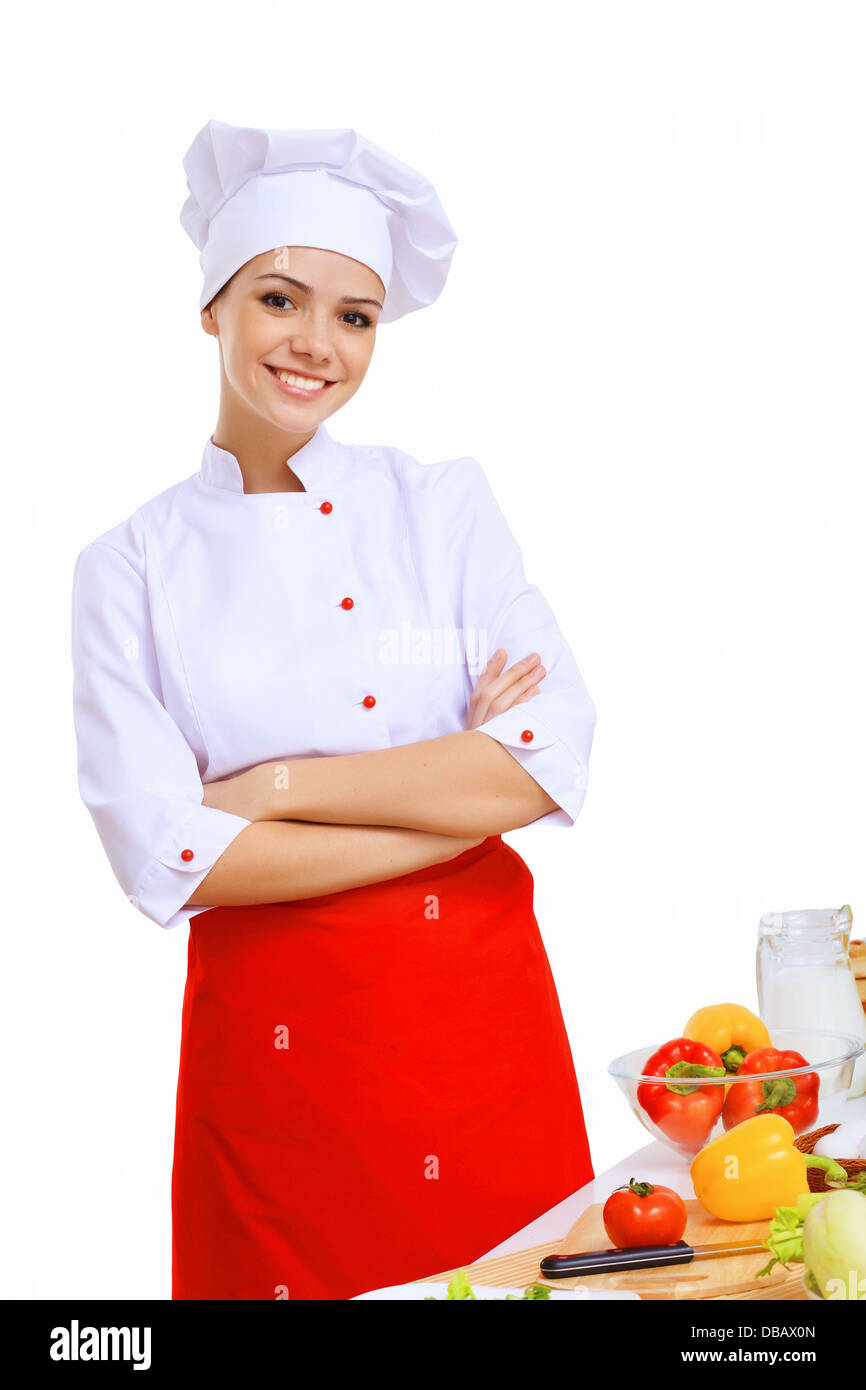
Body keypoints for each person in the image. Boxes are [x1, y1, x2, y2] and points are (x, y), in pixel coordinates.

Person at [70, 119, 598, 1301]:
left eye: (352, 316)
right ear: (212, 307)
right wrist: (450, 795)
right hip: (277, 1073)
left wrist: (271, 790)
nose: (315, 344)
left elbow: (547, 752)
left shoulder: (442, 506)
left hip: (474, 1039)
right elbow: (165, 851)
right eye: (278, 300)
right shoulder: (130, 568)